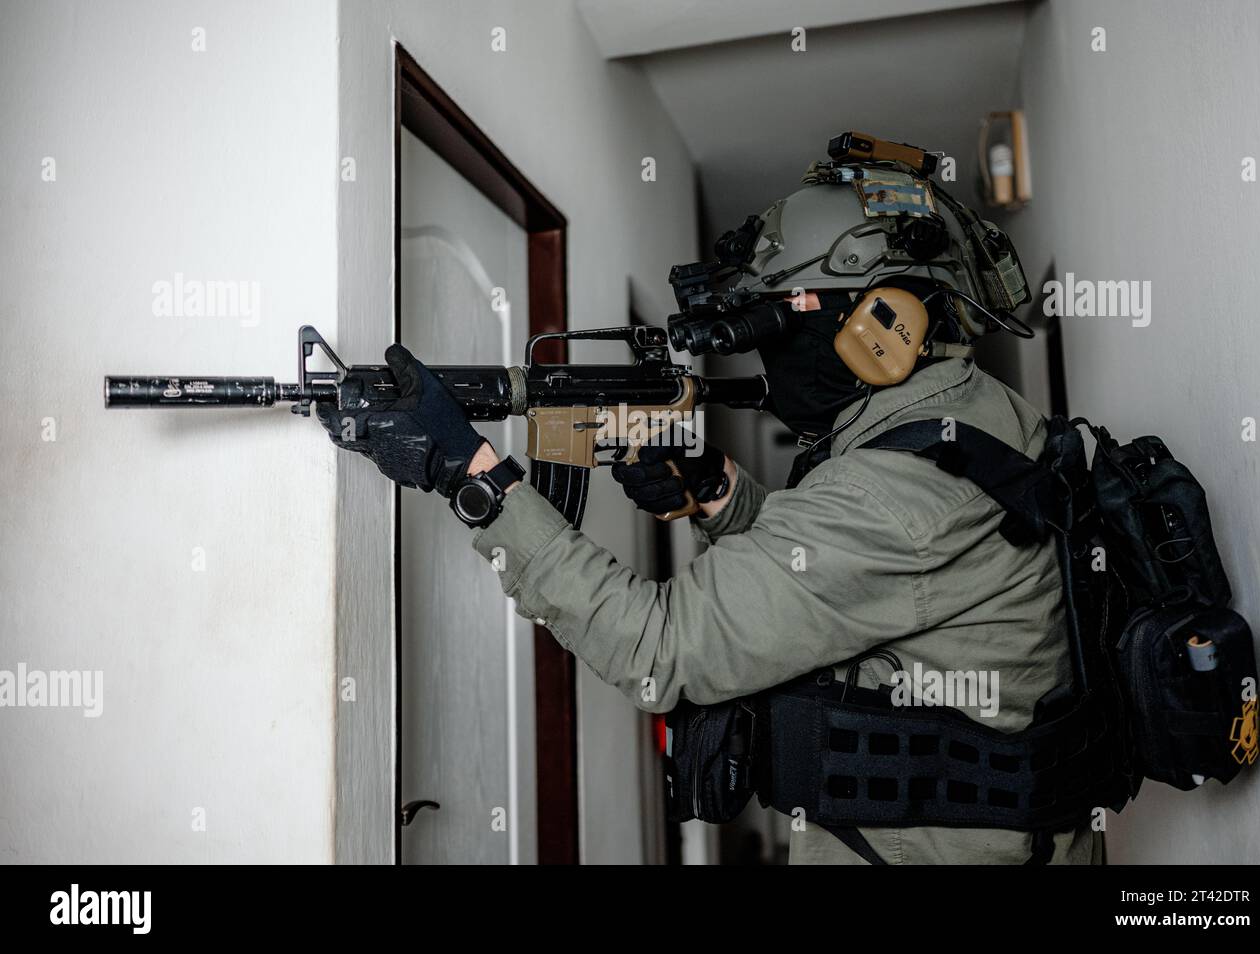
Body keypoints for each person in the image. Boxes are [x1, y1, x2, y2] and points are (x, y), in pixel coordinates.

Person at [318, 144, 1104, 865]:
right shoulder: (972, 418)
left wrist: (474, 477)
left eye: (780, 323)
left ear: (882, 325)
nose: (772, 358)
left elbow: (661, 651)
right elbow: (874, 579)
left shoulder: (892, 487)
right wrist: (720, 491)